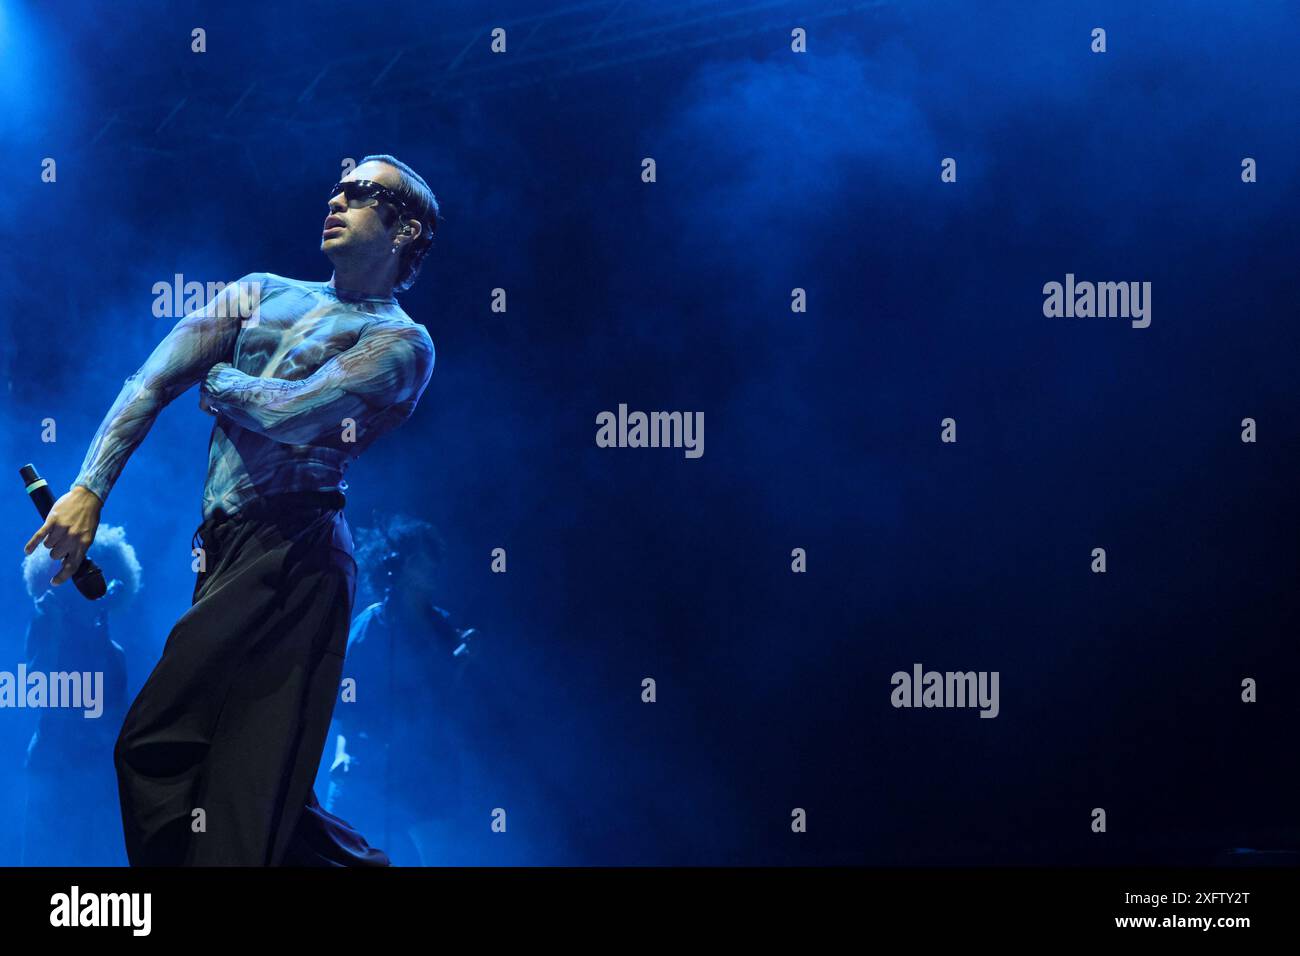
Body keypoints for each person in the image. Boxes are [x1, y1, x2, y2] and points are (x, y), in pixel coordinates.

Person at [22, 154, 439, 866]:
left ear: (404, 229)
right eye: (335, 187)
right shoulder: (261, 290)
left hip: (297, 548)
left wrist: (214, 375)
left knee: (158, 747)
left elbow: (295, 414)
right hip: (227, 550)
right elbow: (151, 380)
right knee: (251, 790)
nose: (335, 199)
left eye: (361, 194)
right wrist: (90, 489)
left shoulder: (402, 344)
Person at [320, 514, 480, 865]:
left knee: (440, 853)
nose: (433, 568)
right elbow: (345, 692)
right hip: (372, 762)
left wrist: (459, 666)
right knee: (346, 850)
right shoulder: (374, 624)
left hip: (426, 762)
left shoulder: (441, 625)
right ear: (401, 565)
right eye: (424, 559)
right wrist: (343, 750)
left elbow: (442, 702)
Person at [19, 523, 140, 866]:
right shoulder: (47, 626)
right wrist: (53, 625)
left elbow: (121, 718)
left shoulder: (113, 651)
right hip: (54, 768)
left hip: (100, 774)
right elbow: (37, 689)